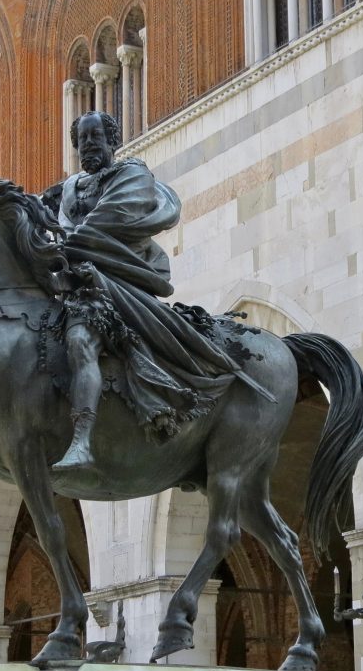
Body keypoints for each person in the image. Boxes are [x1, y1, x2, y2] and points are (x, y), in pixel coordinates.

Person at [45, 112, 270, 473]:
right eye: (81, 139)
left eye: (95, 136)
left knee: (80, 341)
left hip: (118, 279)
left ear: (112, 140)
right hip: (73, 280)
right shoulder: (70, 188)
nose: (87, 144)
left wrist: (64, 244)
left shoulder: (132, 174)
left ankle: (83, 441)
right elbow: (59, 224)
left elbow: (110, 218)